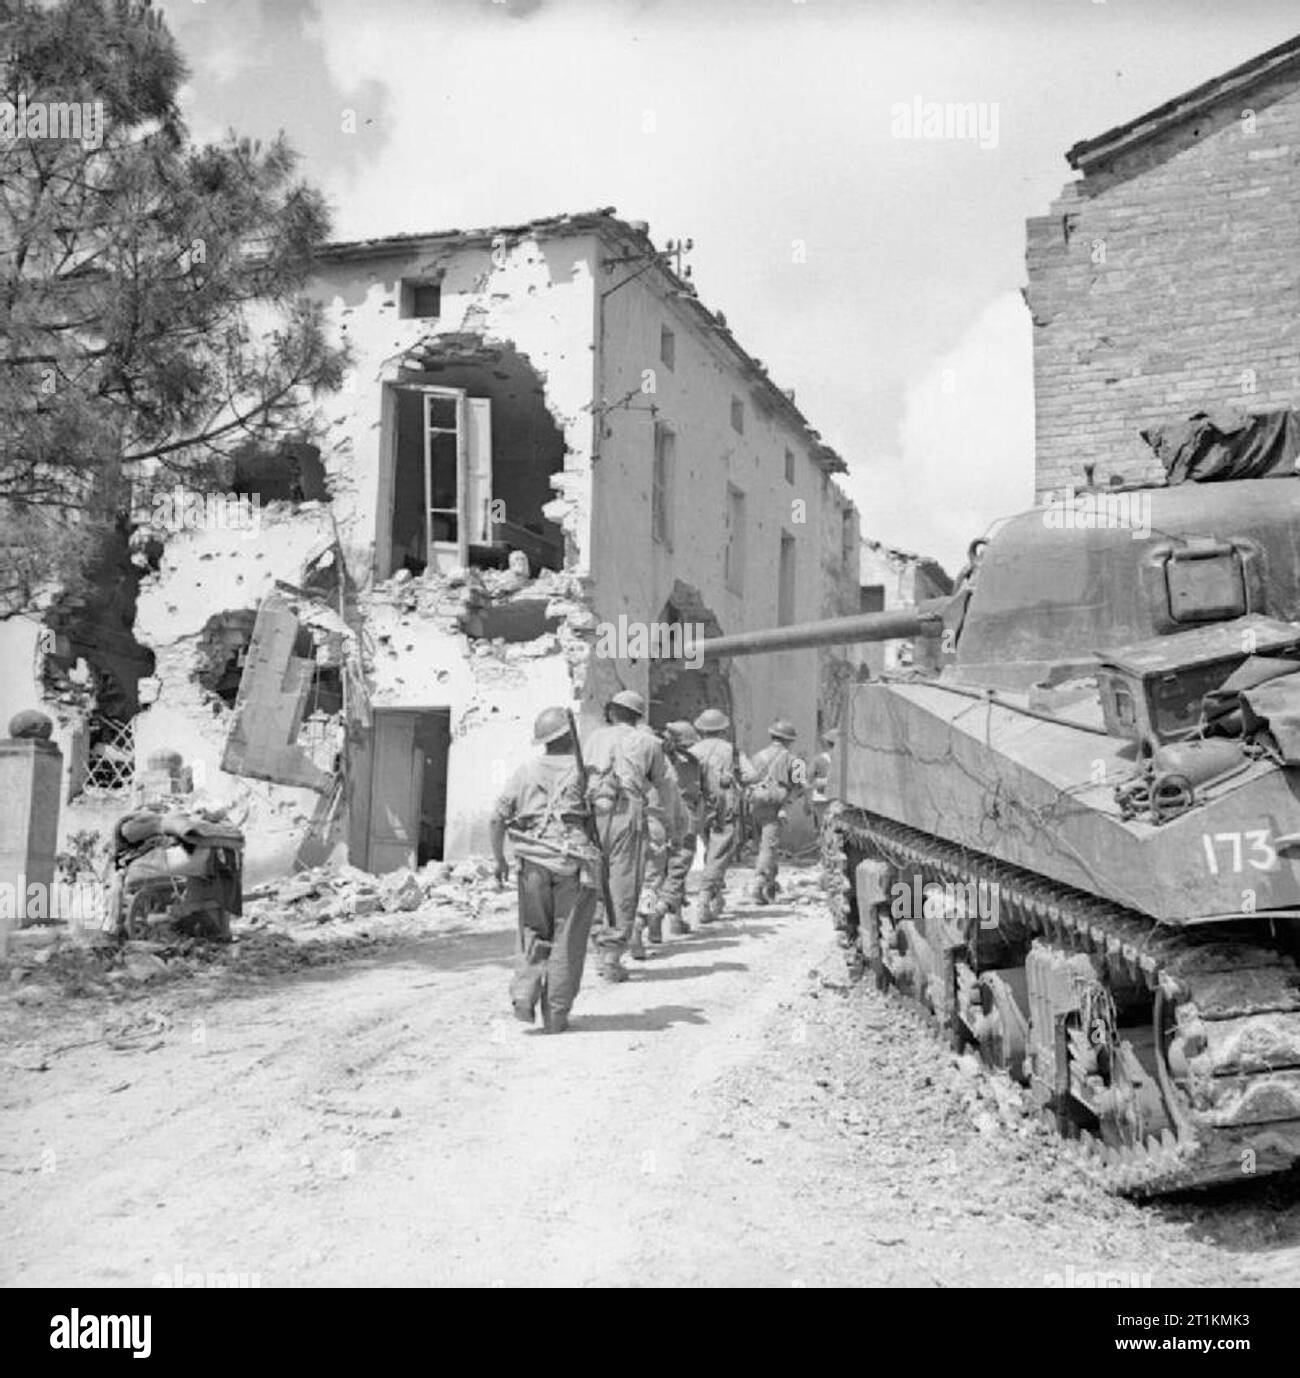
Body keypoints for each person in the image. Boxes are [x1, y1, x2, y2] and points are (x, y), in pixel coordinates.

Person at [490, 706, 602, 1034]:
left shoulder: (525, 771)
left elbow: (497, 818)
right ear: (570, 736)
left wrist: (499, 859)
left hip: (532, 862)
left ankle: (524, 996)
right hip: (573, 864)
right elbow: (607, 814)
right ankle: (556, 1015)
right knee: (568, 940)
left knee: (532, 932)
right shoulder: (586, 772)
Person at [582, 689, 682, 981]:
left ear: (612, 712)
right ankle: (635, 931)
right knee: (631, 884)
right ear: (639, 717)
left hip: (593, 815)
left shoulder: (594, 738)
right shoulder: (650, 743)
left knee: (596, 881)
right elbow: (667, 787)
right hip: (634, 815)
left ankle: (604, 943)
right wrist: (675, 826)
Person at [688, 708, 755, 926]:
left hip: (697, 810)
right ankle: (705, 898)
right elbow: (751, 775)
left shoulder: (692, 750)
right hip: (724, 809)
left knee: (710, 852)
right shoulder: (732, 750)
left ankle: (656, 917)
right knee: (719, 854)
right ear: (723, 729)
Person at [654, 721, 703, 938]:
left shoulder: (653, 756)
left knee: (654, 872)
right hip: (685, 816)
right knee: (679, 867)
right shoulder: (693, 762)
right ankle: (666, 910)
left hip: (656, 815)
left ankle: (647, 918)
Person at [747, 719, 804, 904]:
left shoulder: (757, 757)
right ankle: (759, 882)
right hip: (776, 806)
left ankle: (768, 888)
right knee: (769, 847)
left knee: (765, 846)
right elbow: (800, 786)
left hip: (756, 805)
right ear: (789, 740)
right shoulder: (794, 761)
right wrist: (786, 806)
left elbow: (748, 780)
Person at [809, 727, 839, 835]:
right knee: (834, 831)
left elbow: (809, 780)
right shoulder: (845, 761)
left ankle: (824, 849)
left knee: (823, 829)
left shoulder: (818, 759)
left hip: (822, 800)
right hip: (836, 801)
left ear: (827, 743)